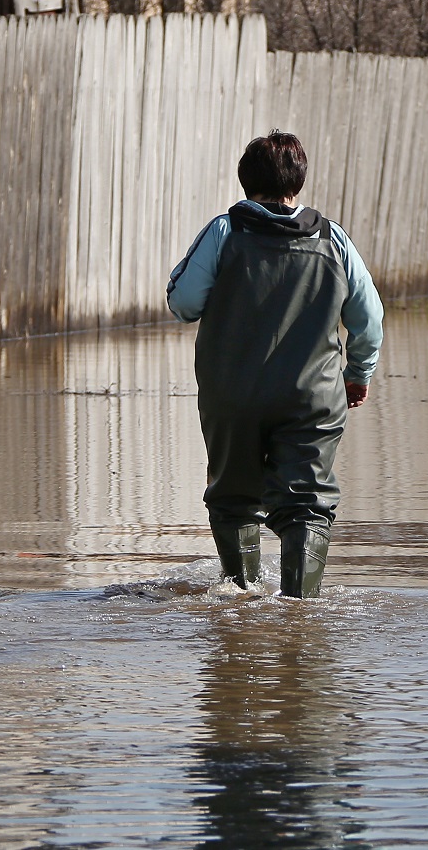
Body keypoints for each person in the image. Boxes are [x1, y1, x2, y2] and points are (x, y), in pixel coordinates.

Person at [166, 132, 383, 598]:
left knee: (234, 499)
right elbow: (370, 318)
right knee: (307, 505)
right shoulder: (333, 238)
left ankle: (241, 600)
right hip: (313, 398)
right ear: (298, 182)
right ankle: (298, 611)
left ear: (246, 182)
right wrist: (357, 375)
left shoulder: (224, 232)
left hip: (233, 395)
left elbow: (183, 304)